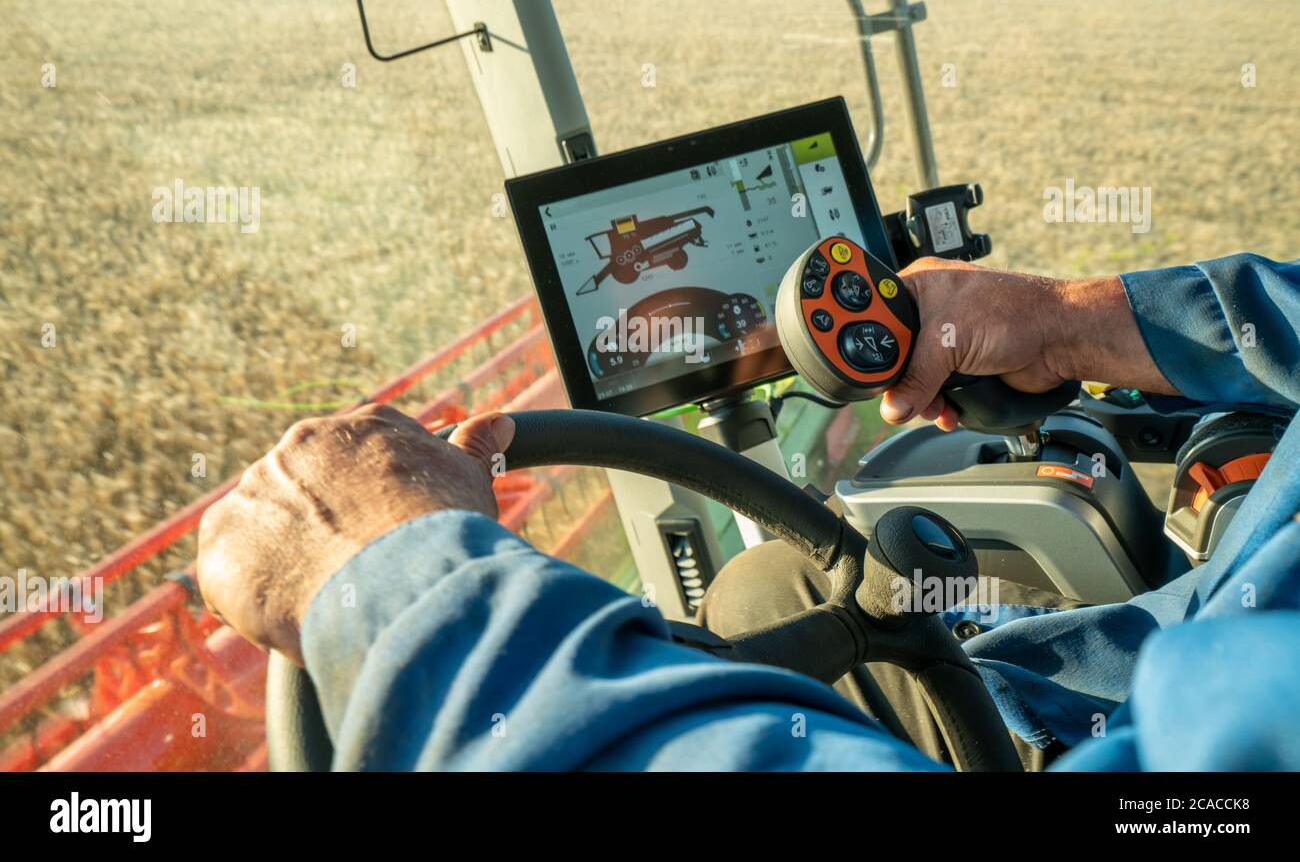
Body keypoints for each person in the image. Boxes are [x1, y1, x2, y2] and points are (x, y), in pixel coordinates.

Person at [198, 253, 1300, 770]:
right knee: (783, 584)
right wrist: (1074, 321)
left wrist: (400, 583)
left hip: (1130, 740)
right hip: (1160, 660)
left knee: (762, 595)